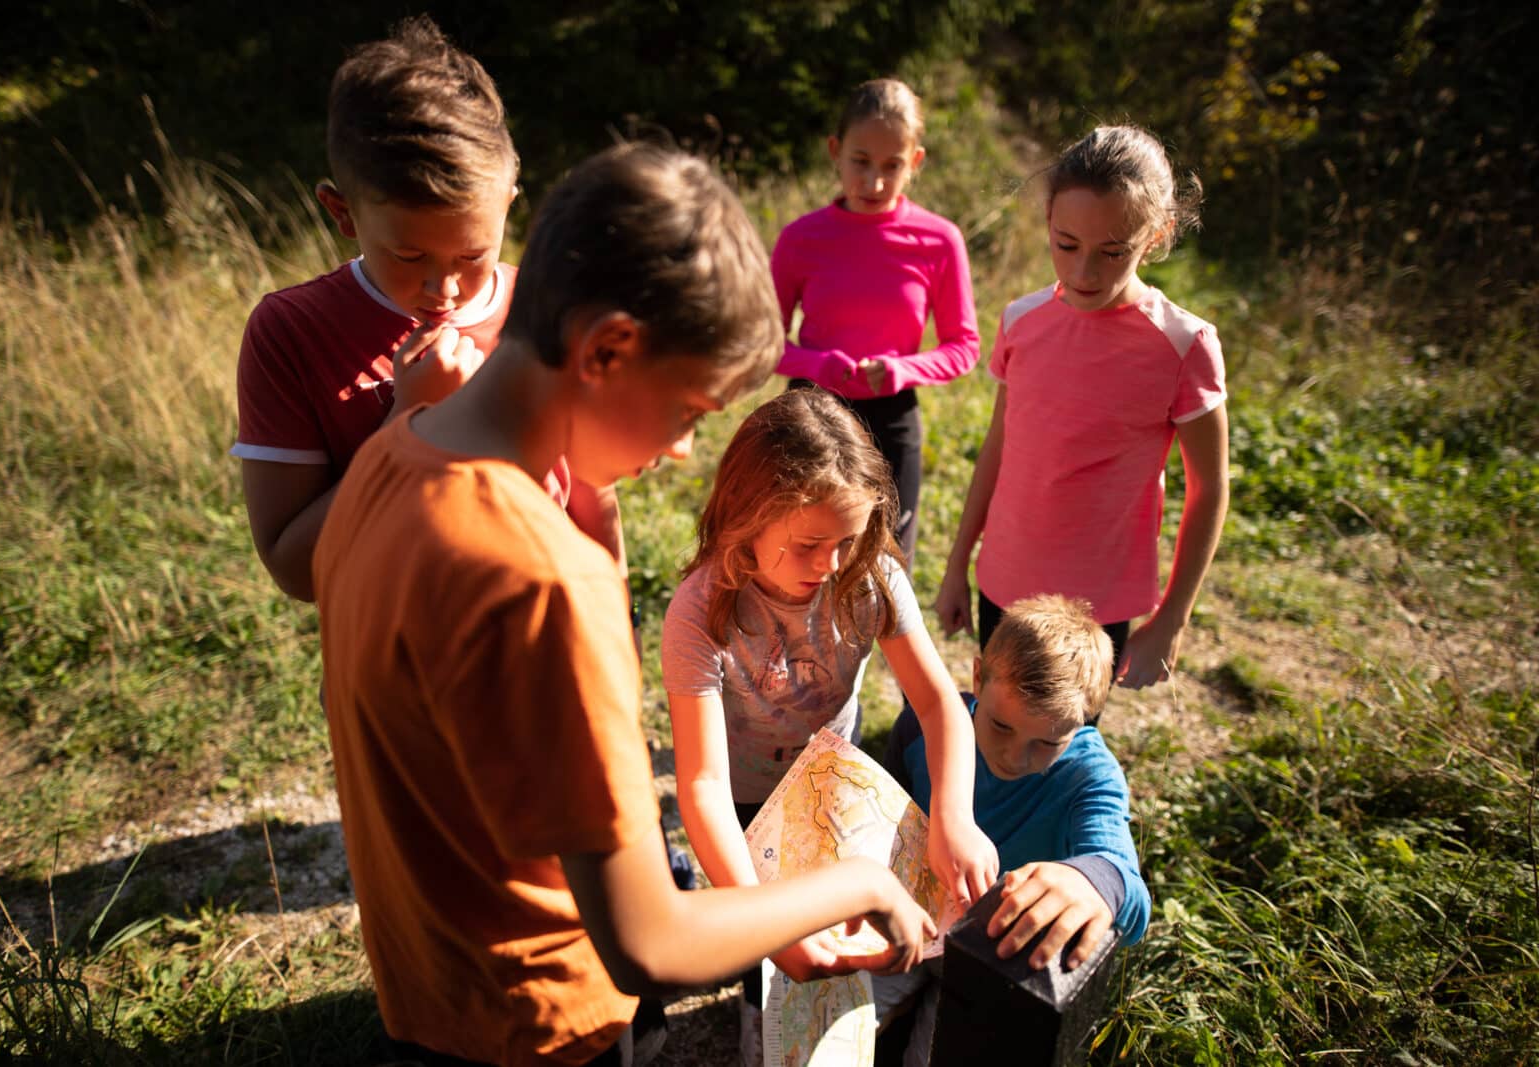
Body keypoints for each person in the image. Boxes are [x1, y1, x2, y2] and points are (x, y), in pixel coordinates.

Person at [313, 142, 937, 1067]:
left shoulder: (388, 456)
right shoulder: (545, 582)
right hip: (545, 1024)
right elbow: (647, 941)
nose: (687, 448)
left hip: (427, 989)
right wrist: (846, 883)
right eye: (689, 409)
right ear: (607, 348)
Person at [231, 15, 624, 604]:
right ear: (342, 213)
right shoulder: (291, 332)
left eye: (473, 254)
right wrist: (409, 425)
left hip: (546, 646)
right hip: (395, 674)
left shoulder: (542, 303)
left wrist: (618, 612)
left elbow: (590, 492)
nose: (443, 288)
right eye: (408, 255)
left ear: (508, 206)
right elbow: (294, 569)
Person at [661, 387, 998, 1067]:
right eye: (808, 544)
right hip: (744, 803)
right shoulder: (698, 615)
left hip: (831, 788)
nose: (830, 564)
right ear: (743, 521)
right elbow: (699, 782)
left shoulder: (871, 578)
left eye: (846, 539)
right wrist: (760, 921)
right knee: (769, 955)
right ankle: (759, 1005)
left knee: (836, 935)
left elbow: (937, 703)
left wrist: (953, 815)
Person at [934, 124, 1230, 689]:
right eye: (1066, 245)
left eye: (1112, 251)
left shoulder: (1184, 345)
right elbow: (999, 447)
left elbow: (1210, 488)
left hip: (1094, 607)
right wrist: (956, 567)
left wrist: (1173, 619)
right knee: (996, 717)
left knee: (1055, 742)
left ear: (1158, 234)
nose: (1083, 272)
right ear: (1047, 221)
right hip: (1003, 579)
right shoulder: (1021, 320)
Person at [875, 593, 1152, 1066]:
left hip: (993, 960)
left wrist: (1093, 881)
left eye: (1047, 742)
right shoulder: (924, 727)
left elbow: (1129, 891)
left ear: (1087, 716)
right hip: (908, 920)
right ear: (978, 676)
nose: (1014, 757)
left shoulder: (1091, 777)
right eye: (1001, 726)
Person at [770, 78, 980, 563]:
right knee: (799, 559)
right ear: (835, 150)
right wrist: (818, 366)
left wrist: (902, 369)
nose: (874, 183)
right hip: (810, 415)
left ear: (916, 162)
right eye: (860, 162)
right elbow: (763, 342)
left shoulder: (939, 240)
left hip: (893, 420)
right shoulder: (802, 238)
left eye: (892, 167)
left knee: (883, 569)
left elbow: (963, 344)